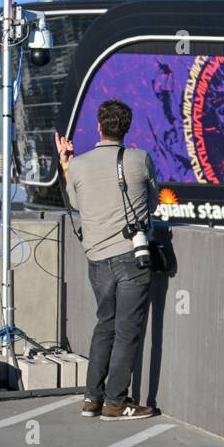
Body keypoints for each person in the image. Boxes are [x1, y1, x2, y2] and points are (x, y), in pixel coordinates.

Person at [55, 99, 159, 420]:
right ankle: (116, 402)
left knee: (105, 326)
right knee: (127, 330)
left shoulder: (80, 165)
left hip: (97, 260)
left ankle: (91, 399)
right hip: (131, 256)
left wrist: (67, 164)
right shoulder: (140, 159)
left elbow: (75, 202)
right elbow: (152, 203)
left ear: (99, 127)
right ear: (125, 129)